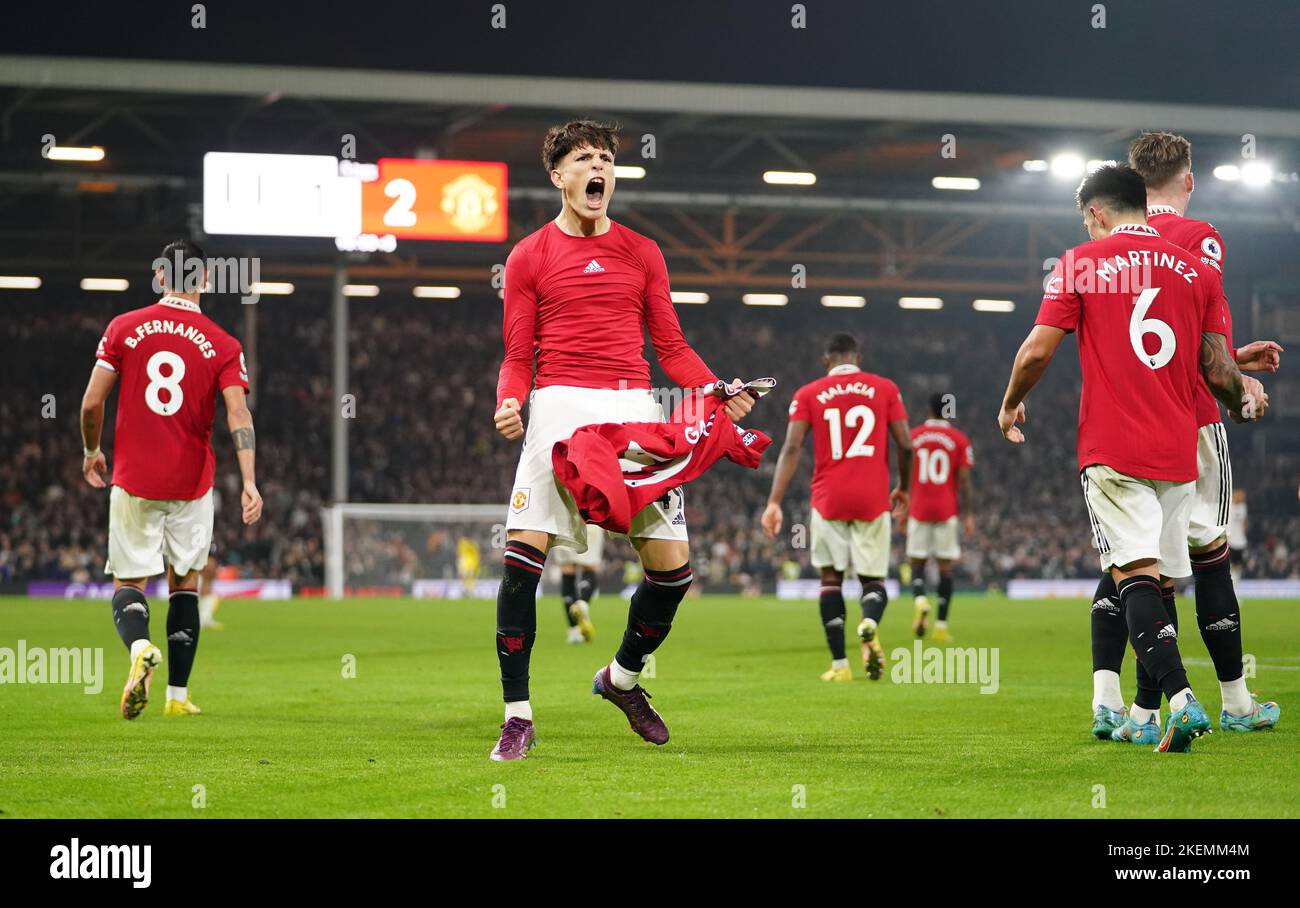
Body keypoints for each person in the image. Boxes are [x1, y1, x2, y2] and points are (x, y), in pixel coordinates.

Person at [489, 120, 756, 760]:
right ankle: (518, 716)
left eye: (606, 158)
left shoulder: (643, 251)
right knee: (522, 563)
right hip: (556, 408)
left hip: (632, 410)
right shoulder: (528, 255)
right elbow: (515, 354)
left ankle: (622, 679)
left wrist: (717, 388)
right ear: (559, 176)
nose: (598, 167)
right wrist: (507, 399)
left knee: (673, 572)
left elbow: (670, 347)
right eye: (584, 158)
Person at [997, 164, 1261, 752]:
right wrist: (1242, 401)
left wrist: (1011, 402)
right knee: (1161, 581)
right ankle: (1143, 716)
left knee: (1132, 577)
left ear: (1095, 213)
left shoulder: (1084, 263)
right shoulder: (1196, 269)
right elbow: (1215, 369)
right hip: (1179, 450)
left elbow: (1038, 351)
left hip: (1113, 448)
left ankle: (1182, 699)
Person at [1089, 132, 1282, 743]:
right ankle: (1236, 701)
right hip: (1192, 419)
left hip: (1121, 424)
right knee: (1206, 552)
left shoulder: (1108, 248)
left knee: (1133, 562)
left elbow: (1148, 336)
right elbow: (1203, 343)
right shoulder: (1200, 240)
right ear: (1189, 179)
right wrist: (1239, 379)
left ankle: (1121, 705)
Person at [80, 239, 262, 720]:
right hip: (192, 483)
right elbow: (238, 413)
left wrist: (91, 451)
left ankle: (139, 647)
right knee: (185, 585)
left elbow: (91, 404)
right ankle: (177, 698)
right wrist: (249, 480)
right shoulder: (224, 344)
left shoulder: (123, 328)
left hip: (135, 476)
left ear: (160, 277)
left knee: (130, 579)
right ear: (205, 280)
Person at [761, 333, 912, 681]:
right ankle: (870, 623)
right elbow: (906, 445)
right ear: (858, 358)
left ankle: (840, 666)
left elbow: (792, 448)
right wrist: (903, 488)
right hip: (873, 498)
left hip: (828, 498)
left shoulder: (808, 394)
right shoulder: (886, 389)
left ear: (826, 361)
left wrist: (774, 502)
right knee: (873, 579)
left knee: (830, 579)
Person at [905, 393, 974, 641]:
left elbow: (905, 473)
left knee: (917, 564)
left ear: (929, 409)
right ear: (949, 410)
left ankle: (921, 599)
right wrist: (969, 514)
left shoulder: (913, 437)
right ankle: (941, 627)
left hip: (918, 508)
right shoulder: (959, 439)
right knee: (945, 569)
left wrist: (903, 506)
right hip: (946, 509)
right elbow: (964, 480)